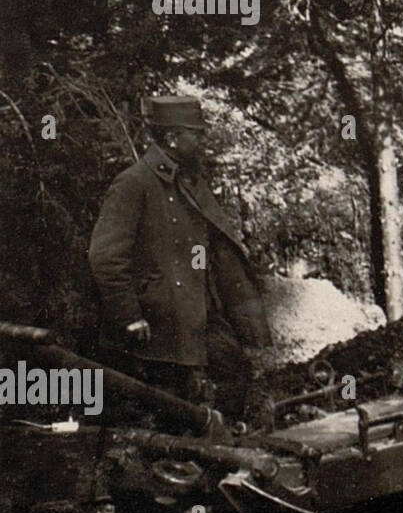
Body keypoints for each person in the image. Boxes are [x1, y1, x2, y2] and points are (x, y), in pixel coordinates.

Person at [88, 95, 270, 410]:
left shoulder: (189, 183)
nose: (201, 141)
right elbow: (105, 257)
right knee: (168, 410)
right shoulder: (134, 183)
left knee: (235, 375)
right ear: (172, 138)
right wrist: (129, 316)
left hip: (195, 316)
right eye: (195, 134)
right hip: (154, 327)